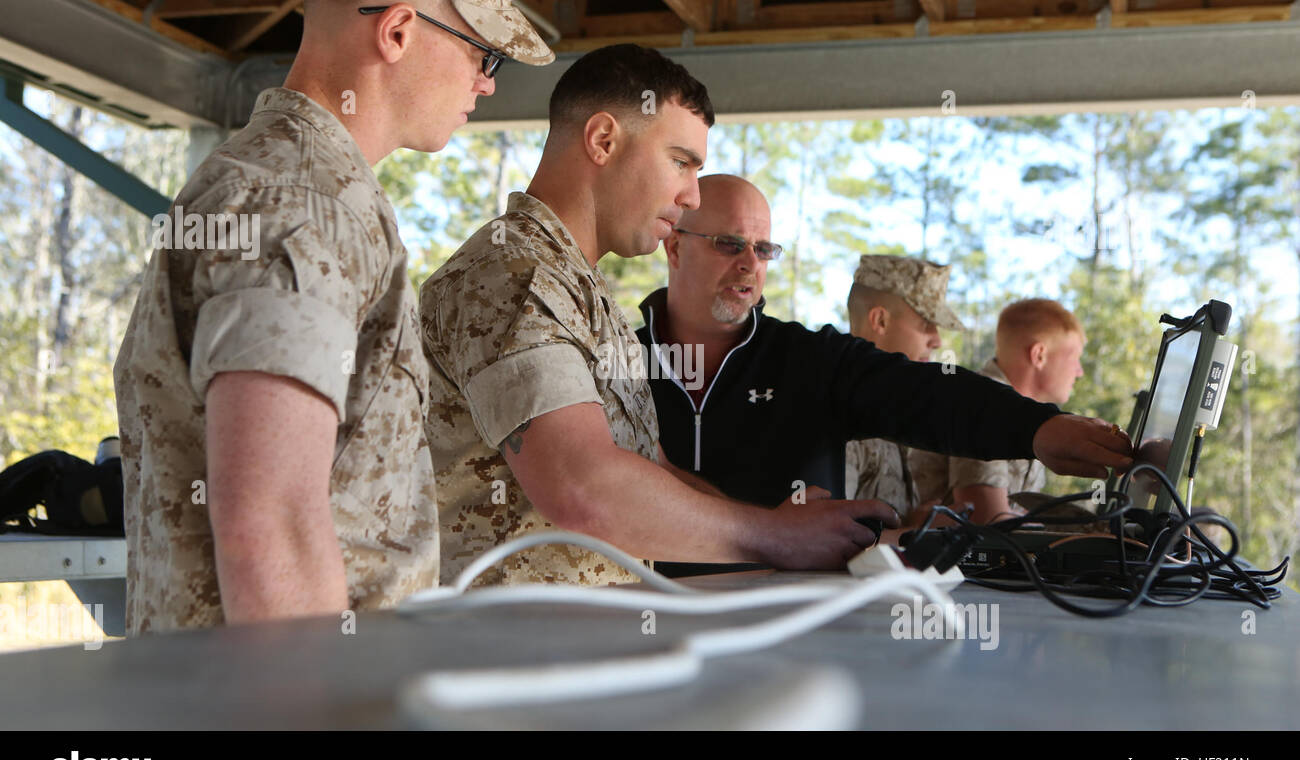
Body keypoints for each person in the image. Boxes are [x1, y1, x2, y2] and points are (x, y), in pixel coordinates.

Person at [113, 0, 553, 632]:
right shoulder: (303, 202)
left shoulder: (294, 183)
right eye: (483, 55)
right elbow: (272, 519)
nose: (486, 81)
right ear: (397, 31)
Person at [420, 45, 899, 588]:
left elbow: (650, 467)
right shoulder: (515, 275)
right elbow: (582, 487)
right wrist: (776, 538)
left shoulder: (579, 286)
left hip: (574, 647)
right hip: (512, 654)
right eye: (680, 162)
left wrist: (774, 526)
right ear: (603, 140)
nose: (692, 195)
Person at [634, 174, 1131, 558]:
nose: (750, 264)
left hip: (788, 637)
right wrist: (769, 532)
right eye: (729, 243)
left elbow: (927, 395)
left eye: (764, 249)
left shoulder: (811, 360)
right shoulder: (617, 365)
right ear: (674, 246)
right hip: (629, 629)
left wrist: (1040, 427)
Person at [910, 298, 1087, 524]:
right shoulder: (978, 404)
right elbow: (987, 521)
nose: (1079, 371)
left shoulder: (1028, 414)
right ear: (1039, 355)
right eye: (1075, 358)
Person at [842, 255, 965, 542]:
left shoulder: (889, 405)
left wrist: (916, 521)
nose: (937, 340)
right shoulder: (840, 408)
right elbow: (821, 536)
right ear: (880, 320)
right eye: (926, 324)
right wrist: (913, 536)